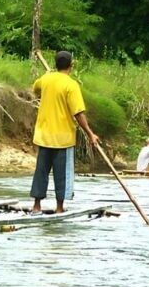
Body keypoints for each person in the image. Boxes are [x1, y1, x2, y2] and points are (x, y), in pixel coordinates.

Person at [30, 50, 100, 214]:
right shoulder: (71, 85)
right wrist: (90, 134)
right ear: (71, 65)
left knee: (41, 171)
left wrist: (47, 76)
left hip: (44, 136)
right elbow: (78, 113)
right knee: (62, 175)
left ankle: (36, 206)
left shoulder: (46, 79)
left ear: (56, 64)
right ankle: (59, 208)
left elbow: (35, 87)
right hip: (63, 138)